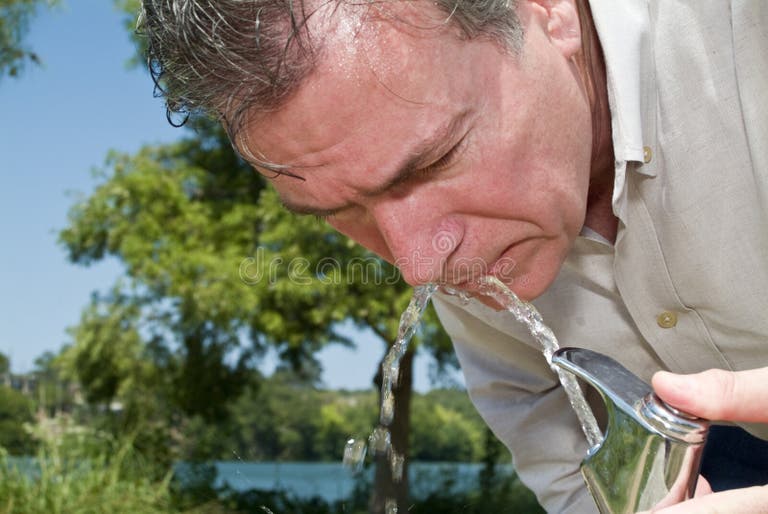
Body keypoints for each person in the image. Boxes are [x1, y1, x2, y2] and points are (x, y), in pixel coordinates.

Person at [139, 0, 768, 511]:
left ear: (547, 12)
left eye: (435, 160)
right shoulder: (467, 244)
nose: (420, 265)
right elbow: (567, 465)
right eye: (341, 211)